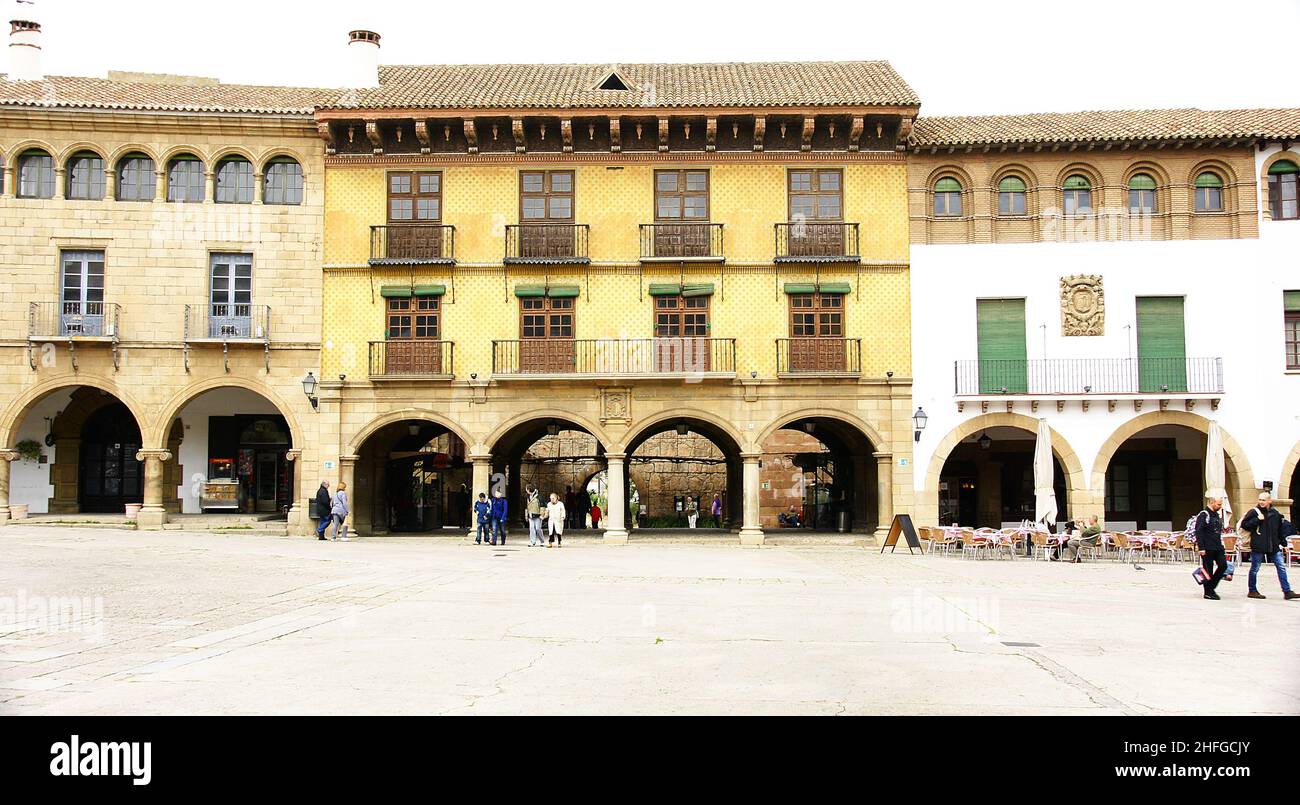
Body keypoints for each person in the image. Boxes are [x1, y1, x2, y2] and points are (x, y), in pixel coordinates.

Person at [1239, 492, 1298, 600]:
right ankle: (1252, 590)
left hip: (1274, 545)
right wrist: (1257, 519)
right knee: (1255, 568)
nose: (1261, 502)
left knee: (1281, 567)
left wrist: (1283, 543)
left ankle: (1287, 591)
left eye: (1263, 500)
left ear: (1269, 501)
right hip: (1259, 544)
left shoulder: (1275, 513)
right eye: (1260, 500)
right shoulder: (1254, 512)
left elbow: (1279, 530)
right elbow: (1244, 525)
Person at [1193, 497, 1227, 599]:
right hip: (1207, 547)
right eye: (1218, 504)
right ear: (1211, 503)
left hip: (1218, 546)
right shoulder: (1204, 515)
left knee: (1223, 565)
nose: (1220, 507)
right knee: (1208, 570)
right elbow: (1199, 531)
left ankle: (1211, 586)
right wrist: (1201, 547)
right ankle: (1208, 592)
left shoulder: (1216, 515)